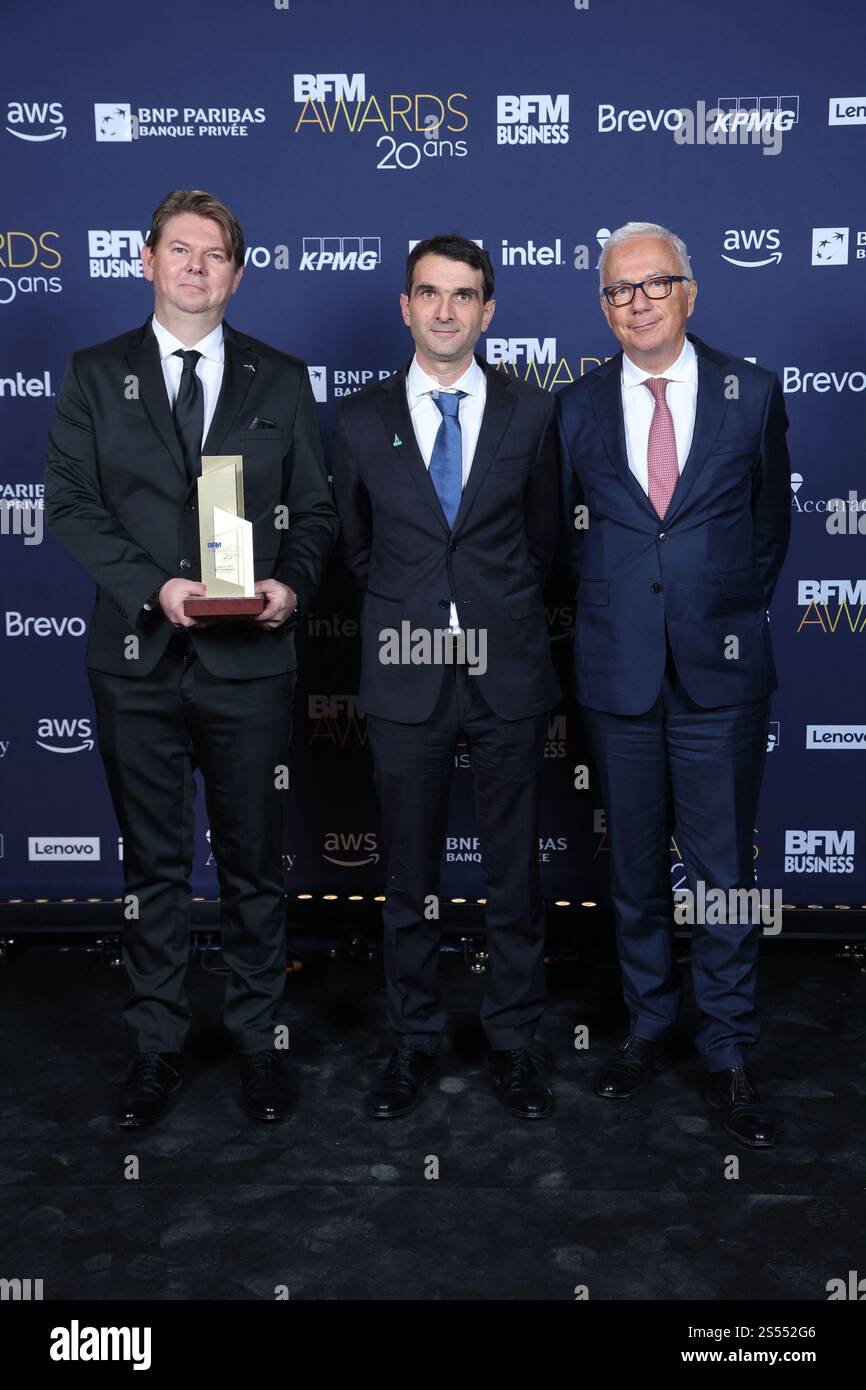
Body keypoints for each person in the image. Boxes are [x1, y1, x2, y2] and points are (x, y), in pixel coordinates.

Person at [45, 189, 338, 1127]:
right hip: (135, 656)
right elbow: (74, 507)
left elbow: (317, 511)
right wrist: (155, 588)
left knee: (255, 862)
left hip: (251, 663)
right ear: (148, 260)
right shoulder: (95, 374)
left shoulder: (280, 379)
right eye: (181, 250)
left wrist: (289, 584)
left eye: (214, 255)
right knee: (153, 867)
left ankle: (259, 1044)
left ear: (237, 273)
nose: (197, 267)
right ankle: (158, 1048)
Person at [557, 220, 791, 1148]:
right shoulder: (573, 408)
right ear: (604, 307)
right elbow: (562, 541)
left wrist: (716, 611)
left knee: (725, 876)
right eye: (619, 290)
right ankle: (650, 1027)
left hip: (720, 675)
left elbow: (768, 530)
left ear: (690, 293)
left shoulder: (751, 392)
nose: (639, 302)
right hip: (617, 675)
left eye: (656, 284)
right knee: (635, 869)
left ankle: (728, 1049)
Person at [332, 234, 560, 1119]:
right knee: (407, 877)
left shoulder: (531, 414)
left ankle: (513, 1045)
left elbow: (544, 545)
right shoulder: (357, 419)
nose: (445, 310)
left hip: (506, 670)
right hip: (405, 670)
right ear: (405, 306)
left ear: (488, 310)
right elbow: (357, 549)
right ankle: (412, 1044)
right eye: (429, 293)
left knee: (513, 875)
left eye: (464, 295)